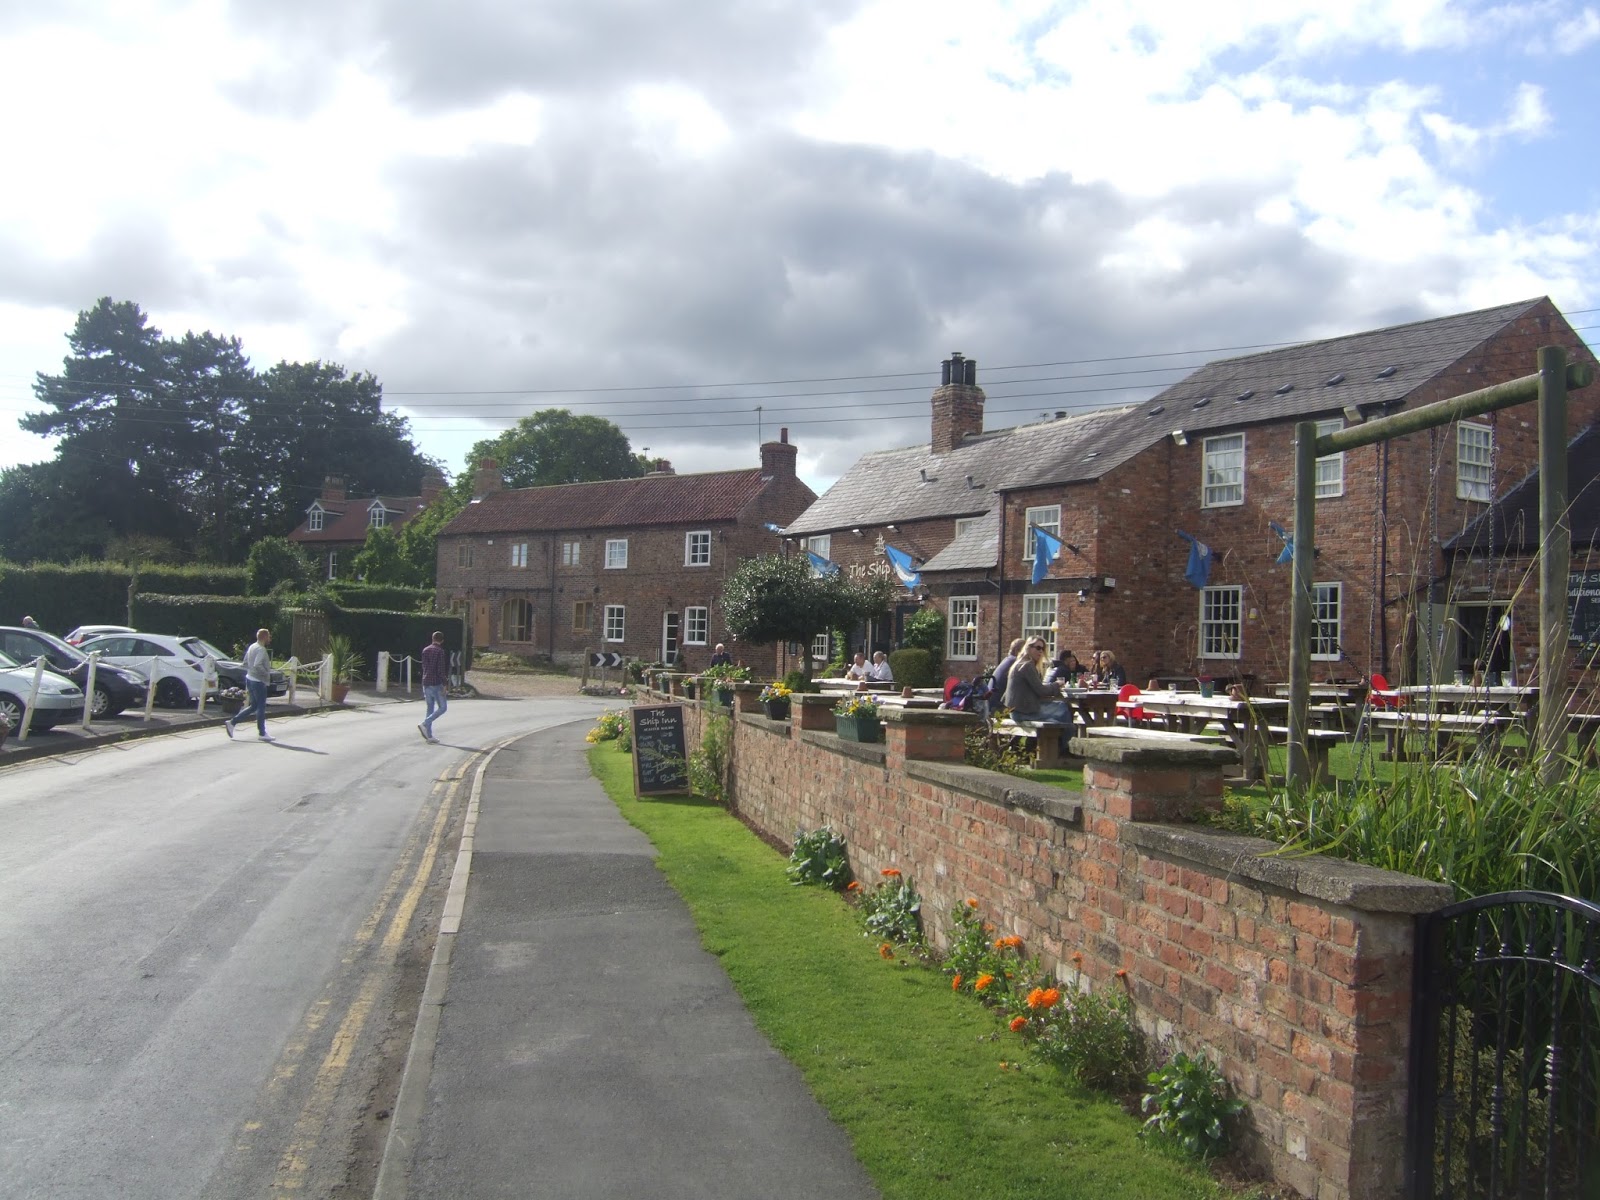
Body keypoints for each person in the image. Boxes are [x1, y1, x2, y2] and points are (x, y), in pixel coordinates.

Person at [1004, 638, 1072, 725]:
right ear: (1028, 648)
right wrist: (1057, 684)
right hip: (1022, 713)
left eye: (1043, 649)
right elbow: (1041, 691)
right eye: (1038, 648)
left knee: (1058, 714)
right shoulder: (1027, 665)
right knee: (1063, 708)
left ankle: (1058, 732)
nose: (1041, 651)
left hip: (1017, 710)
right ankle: (1068, 732)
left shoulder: (1020, 663)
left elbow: (1037, 689)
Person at [225, 628, 274, 741]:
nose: (270, 638)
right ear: (264, 637)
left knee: (254, 706)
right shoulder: (261, 649)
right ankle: (262, 733)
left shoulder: (252, 646)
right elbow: (257, 665)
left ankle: (232, 722)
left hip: (249, 678)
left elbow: (245, 662)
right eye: (269, 636)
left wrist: (251, 670)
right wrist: (266, 673)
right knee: (261, 707)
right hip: (258, 681)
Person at [419, 630, 448, 742]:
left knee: (430, 708)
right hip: (436, 683)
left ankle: (429, 736)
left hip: (426, 681)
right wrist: (445, 683)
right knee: (443, 707)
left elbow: (424, 667)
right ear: (442, 640)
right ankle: (425, 723)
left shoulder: (425, 650)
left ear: (433, 638)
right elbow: (440, 670)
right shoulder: (440, 651)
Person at [989, 638, 1024, 705]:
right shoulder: (1015, 662)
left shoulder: (1007, 659)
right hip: (998, 705)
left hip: (992, 700)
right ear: (1017, 651)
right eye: (1025, 651)